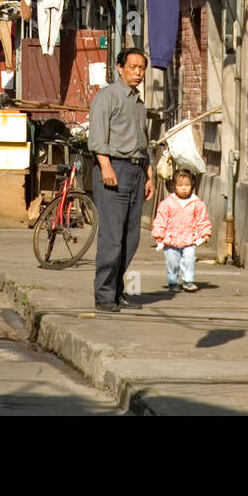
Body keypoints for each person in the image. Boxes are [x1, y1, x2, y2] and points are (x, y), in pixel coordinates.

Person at [87, 48, 153, 312]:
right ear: (120, 68)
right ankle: (103, 295)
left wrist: (148, 173)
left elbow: (143, 141)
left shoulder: (137, 100)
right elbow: (98, 138)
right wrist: (106, 167)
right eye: (133, 67)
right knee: (112, 237)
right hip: (113, 168)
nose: (138, 73)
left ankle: (116, 290)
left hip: (136, 170)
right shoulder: (108, 96)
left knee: (131, 236)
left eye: (142, 69)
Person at [152, 168, 212, 292]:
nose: (184, 188)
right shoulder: (167, 203)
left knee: (189, 259)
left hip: (189, 238)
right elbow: (161, 219)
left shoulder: (196, 203)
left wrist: (205, 232)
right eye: (180, 185)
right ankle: (173, 281)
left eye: (187, 185)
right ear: (174, 186)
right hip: (171, 239)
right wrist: (159, 233)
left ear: (192, 186)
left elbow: (202, 219)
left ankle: (188, 280)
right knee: (172, 262)